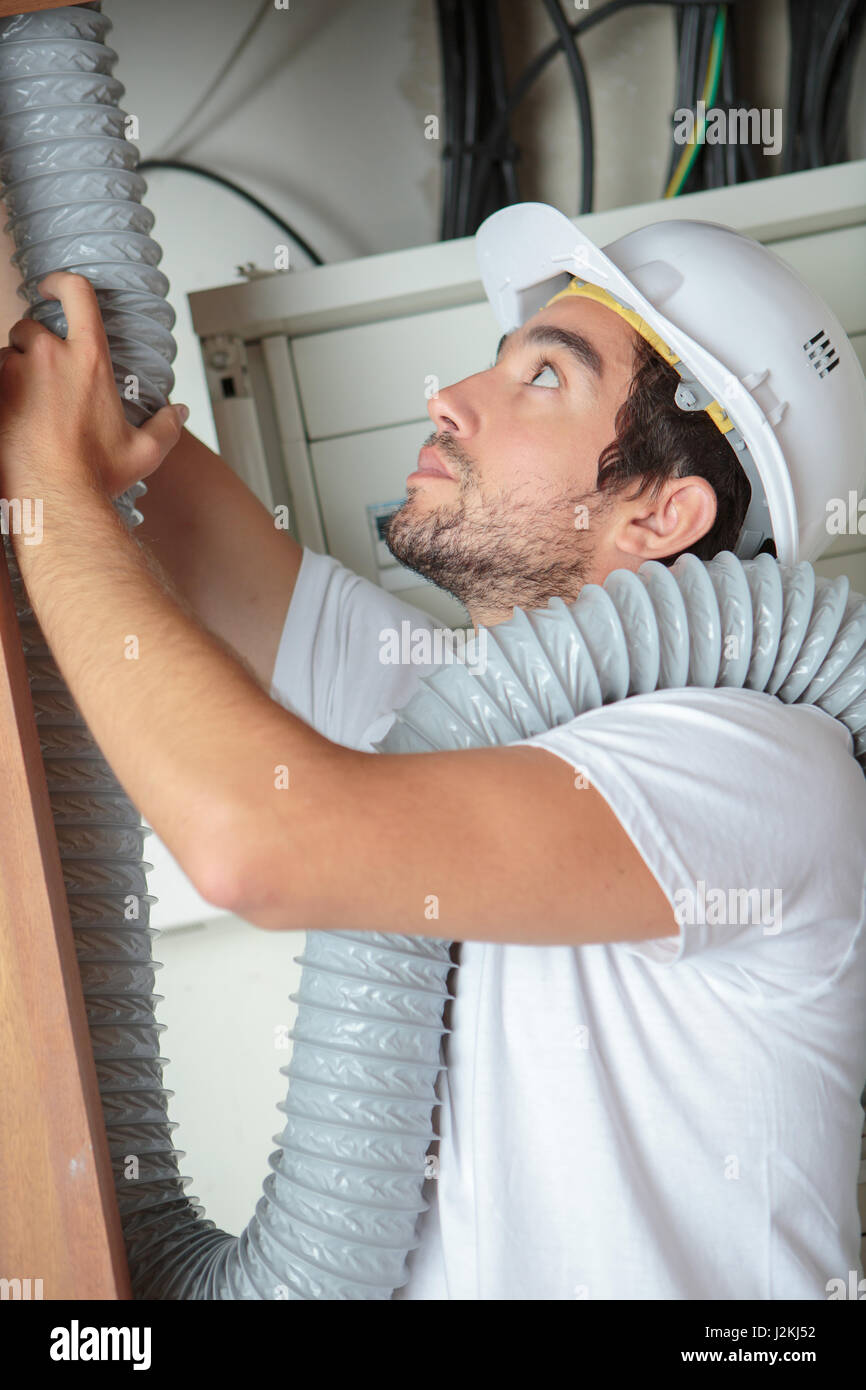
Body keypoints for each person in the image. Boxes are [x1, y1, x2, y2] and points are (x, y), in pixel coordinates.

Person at [0, 205, 863, 1300]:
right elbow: (145, 488)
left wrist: (45, 497)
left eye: (542, 378)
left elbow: (248, 844)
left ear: (660, 514)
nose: (448, 398)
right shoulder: (440, 706)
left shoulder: (754, 768)